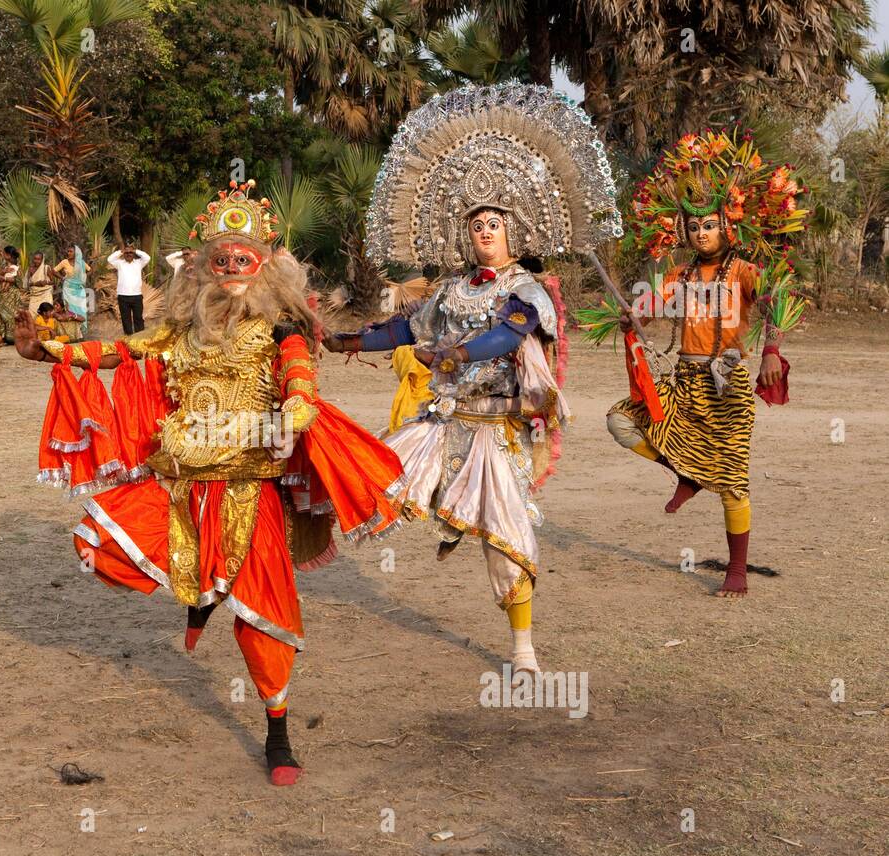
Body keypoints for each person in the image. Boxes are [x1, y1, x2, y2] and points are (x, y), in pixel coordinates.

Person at [13, 178, 406, 785]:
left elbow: (302, 386)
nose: (230, 269)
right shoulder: (181, 329)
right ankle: (201, 591)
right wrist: (50, 352)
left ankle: (277, 732)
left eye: (242, 260)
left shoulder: (282, 329)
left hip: (251, 487)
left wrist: (291, 416)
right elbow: (121, 351)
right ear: (201, 267)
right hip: (181, 482)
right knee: (100, 545)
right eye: (219, 259)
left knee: (261, 618)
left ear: (267, 266)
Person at [326, 82, 624, 674]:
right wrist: (346, 340)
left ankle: (523, 650)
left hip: (493, 431)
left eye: (494, 222)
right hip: (441, 421)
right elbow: (405, 330)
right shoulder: (451, 290)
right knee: (373, 477)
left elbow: (505, 338)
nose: (484, 231)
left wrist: (460, 354)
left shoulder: (527, 291)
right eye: (477, 223)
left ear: (516, 231)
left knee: (505, 545)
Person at [605, 129, 803, 598]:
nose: (701, 233)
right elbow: (650, 305)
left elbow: (777, 301)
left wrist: (771, 351)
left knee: (734, 479)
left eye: (709, 225)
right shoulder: (680, 274)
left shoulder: (744, 271)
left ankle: (735, 570)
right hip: (684, 381)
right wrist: (631, 315)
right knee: (620, 421)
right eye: (693, 227)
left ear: (726, 226)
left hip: (728, 385)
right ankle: (686, 473)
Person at [108, 241, 150, 334]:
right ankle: (128, 338)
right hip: (123, 296)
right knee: (125, 319)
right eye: (126, 253)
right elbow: (110, 259)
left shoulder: (139, 263)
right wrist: (120, 252)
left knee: (138, 318)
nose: (128, 254)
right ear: (124, 254)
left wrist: (136, 250)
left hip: (137, 296)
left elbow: (147, 257)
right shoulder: (119, 263)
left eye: (130, 252)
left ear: (133, 254)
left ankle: (139, 338)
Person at [0, 246, 24, 343]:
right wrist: (3, 272)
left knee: (11, 316)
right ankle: (0, 338)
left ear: (9, 256)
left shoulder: (18, 268)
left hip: (12, 295)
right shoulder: (3, 266)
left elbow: (19, 282)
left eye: (5, 253)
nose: (3, 255)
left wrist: (5, 278)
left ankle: (11, 337)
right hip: (2, 295)